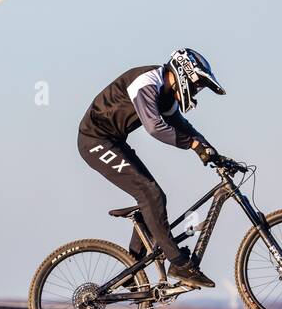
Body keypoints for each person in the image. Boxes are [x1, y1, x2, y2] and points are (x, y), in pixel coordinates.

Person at [77, 48, 227, 288]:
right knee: (151, 194)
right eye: (197, 85)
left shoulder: (166, 95)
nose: (197, 91)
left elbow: (181, 124)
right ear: (184, 73)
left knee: (155, 197)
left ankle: (131, 268)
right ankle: (178, 262)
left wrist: (213, 152)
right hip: (94, 140)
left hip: (114, 142)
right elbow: (155, 128)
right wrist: (194, 145)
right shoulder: (149, 81)